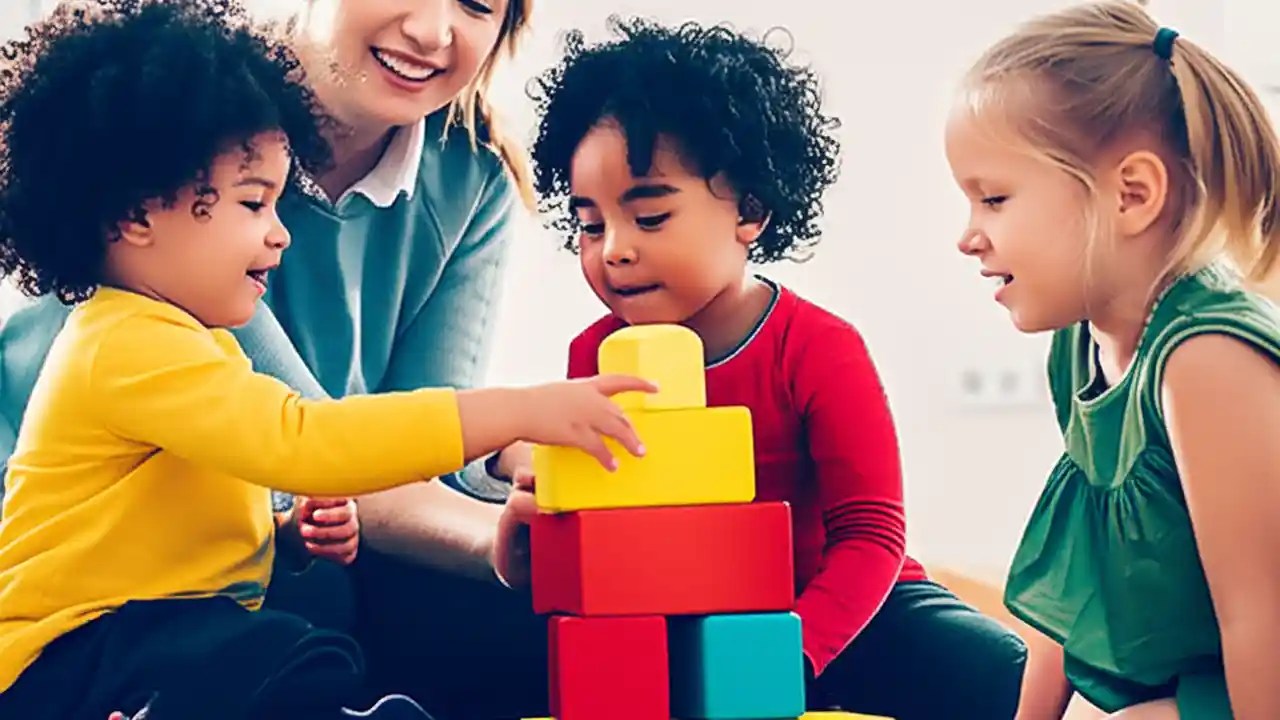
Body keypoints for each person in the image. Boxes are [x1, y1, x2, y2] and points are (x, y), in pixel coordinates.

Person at [0, 1, 653, 717]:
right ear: (137, 216)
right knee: (274, 655)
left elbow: (203, 511)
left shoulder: (199, 334)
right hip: (70, 653)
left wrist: (289, 539)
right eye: (256, 206)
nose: (279, 236)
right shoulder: (130, 340)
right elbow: (304, 438)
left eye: (475, 3)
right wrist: (518, 410)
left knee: (276, 647)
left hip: (162, 628)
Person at [516, 16, 1029, 720]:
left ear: (749, 211)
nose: (614, 252)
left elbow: (872, 535)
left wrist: (786, 655)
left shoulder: (817, 347)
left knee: (996, 673)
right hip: (671, 614)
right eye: (591, 223)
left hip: (839, 611)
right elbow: (598, 532)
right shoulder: (592, 357)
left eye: (650, 218)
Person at [944, 2, 1280, 718]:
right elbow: (1077, 573)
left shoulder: (1206, 357)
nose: (968, 236)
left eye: (994, 199)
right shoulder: (1081, 346)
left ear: (1132, 195)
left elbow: (1263, 622)